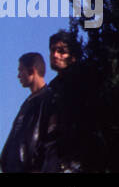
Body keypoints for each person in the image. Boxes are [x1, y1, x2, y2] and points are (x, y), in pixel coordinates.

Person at [42, 31, 88, 172]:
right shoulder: (53, 86)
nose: (55, 55)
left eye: (61, 51)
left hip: (78, 158)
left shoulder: (83, 79)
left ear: (73, 57)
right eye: (52, 50)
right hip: (56, 159)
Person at [1, 53, 54, 173]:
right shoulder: (27, 103)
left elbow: (50, 140)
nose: (18, 75)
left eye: (21, 70)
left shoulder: (48, 99)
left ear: (32, 71)